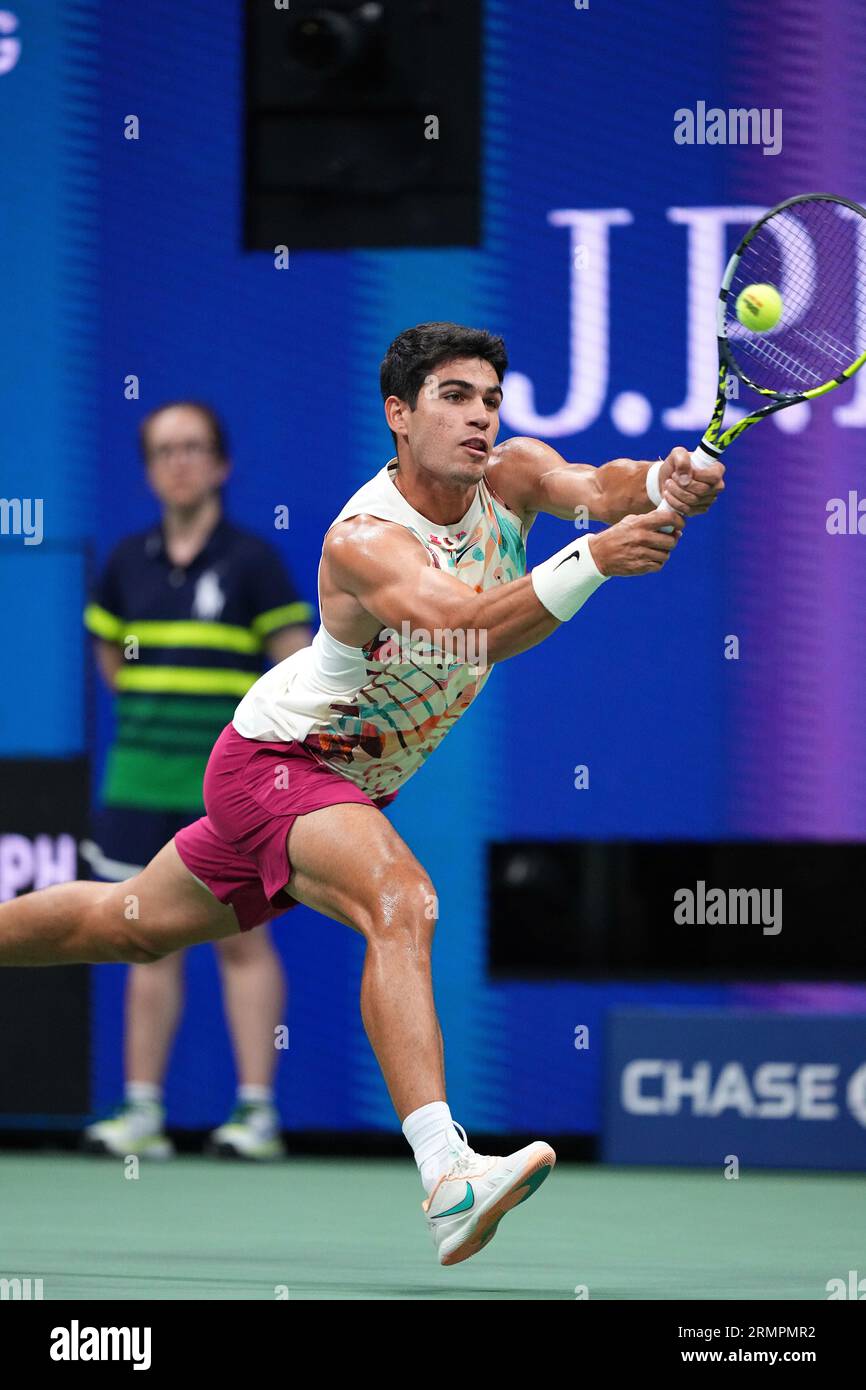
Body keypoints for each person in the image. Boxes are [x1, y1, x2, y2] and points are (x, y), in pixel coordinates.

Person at [0, 324, 723, 1264]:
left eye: (490, 399)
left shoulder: (511, 475)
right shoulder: (365, 541)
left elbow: (599, 486)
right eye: (454, 397)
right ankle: (448, 1177)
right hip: (277, 762)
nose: (479, 416)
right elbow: (468, 628)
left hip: (345, 783)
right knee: (402, 901)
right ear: (400, 414)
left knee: (127, 924)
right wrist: (594, 560)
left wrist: (669, 481)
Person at [79, 401, 313, 1160]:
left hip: (230, 793)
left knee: (242, 941)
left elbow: (299, 667)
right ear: (149, 469)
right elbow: (111, 660)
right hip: (138, 784)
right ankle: (142, 1113)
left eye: (193, 448)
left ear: (220, 463)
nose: (179, 462)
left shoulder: (254, 562)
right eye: (164, 450)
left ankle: (256, 1114)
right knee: (144, 938)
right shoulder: (125, 562)